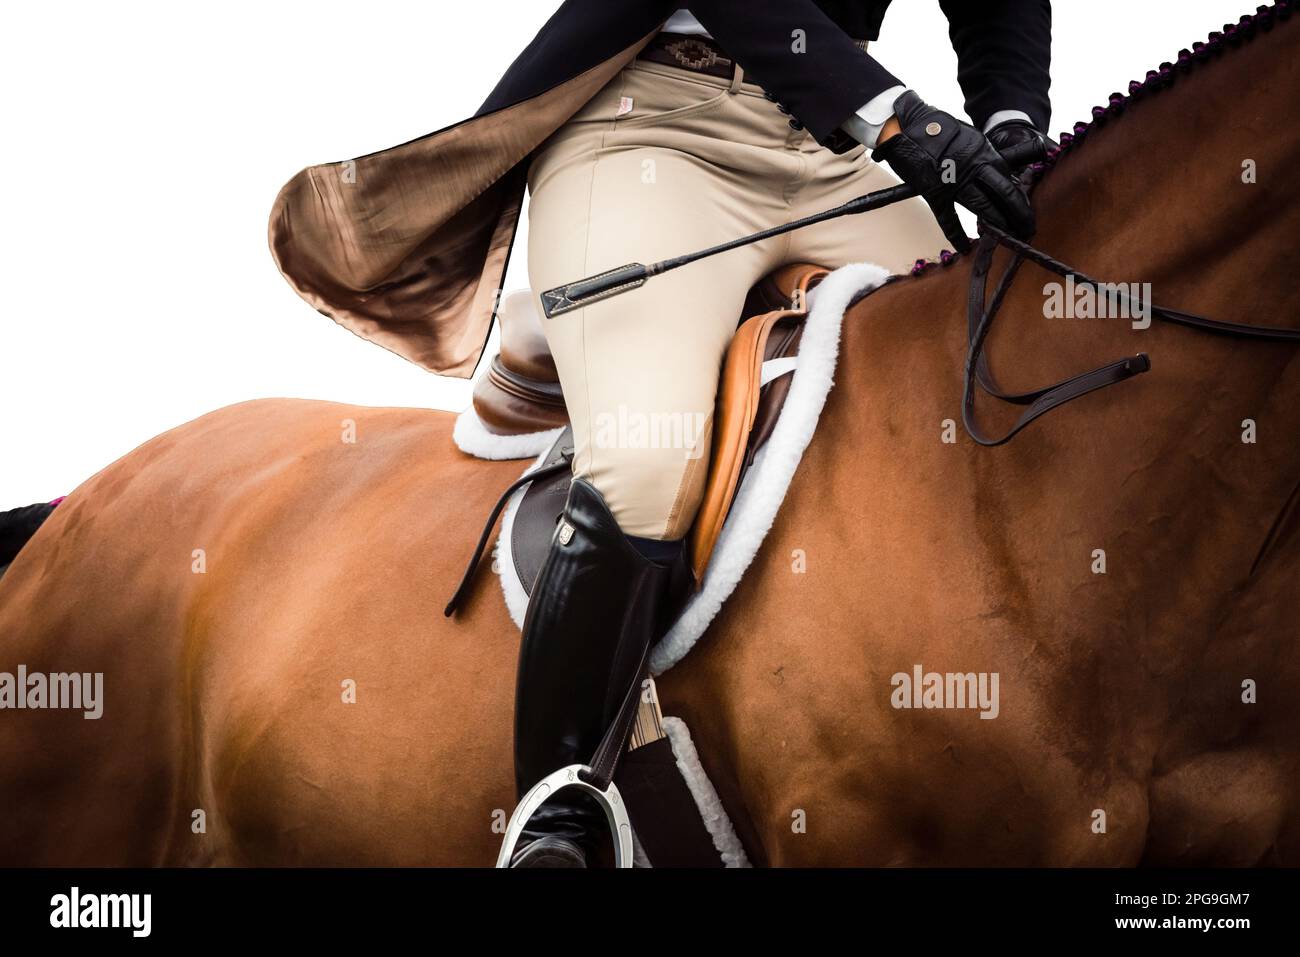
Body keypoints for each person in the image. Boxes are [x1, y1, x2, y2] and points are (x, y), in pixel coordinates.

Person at [268, 1, 1053, 868]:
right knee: (649, 456)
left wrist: (1011, 118)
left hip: (837, 151)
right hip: (655, 133)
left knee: (1001, 379)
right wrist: (900, 114)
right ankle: (557, 814)